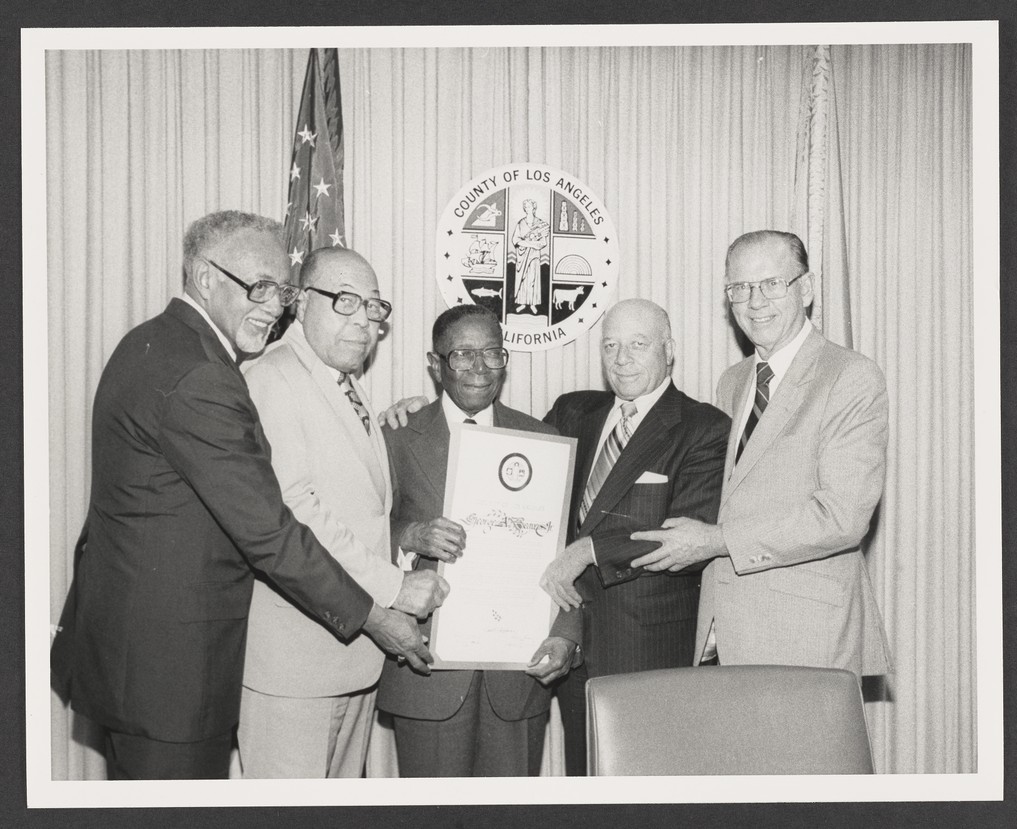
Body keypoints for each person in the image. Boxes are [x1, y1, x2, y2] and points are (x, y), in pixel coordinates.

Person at [49, 211, 441, 780]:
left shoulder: (155, 342)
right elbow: (271, 531)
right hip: (171, 671)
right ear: (205, 277)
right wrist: (377, 613)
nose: (273, 306)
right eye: (258, 287)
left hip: (143, 654)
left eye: (279, 290)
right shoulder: (204, 375)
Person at [630, 230, 893, 679]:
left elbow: (842, 518)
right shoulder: (733, 382)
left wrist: (716, 541)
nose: (755, 302)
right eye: (740, 288)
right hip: (724, 634)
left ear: (805, 289)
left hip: (806, 637)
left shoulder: (850, 377)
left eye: (772, 284)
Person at [236, 247, 446, 778]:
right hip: (295, 668)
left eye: (373, 307)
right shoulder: (272, 376)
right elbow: (295, 510)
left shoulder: (342, 383)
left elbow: (363, 508)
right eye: (345, 301)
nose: (364, 321)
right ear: (302, 302)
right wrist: (395, 587)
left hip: (350, 660)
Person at [375, 305, 581, 777]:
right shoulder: (394, 437)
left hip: (518, 673)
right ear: (435, 364)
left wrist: (567, 635)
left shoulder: (541, 439)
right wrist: (410, 536)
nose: (480, 367)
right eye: (463, 354)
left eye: (492, 353)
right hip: (427, 669)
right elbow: (356, 533)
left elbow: (565, 553)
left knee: (509, 812)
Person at [538, 298, 731, 776]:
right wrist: (439, 416)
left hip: (647, 645)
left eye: (638, 345)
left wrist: (589, 550)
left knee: (647, 789)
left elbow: (686, 540)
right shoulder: (572, 411)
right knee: (583, 782)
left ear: (669, 351)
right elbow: (511, 461)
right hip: (567, 641)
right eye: (611, 346)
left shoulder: (703, 427)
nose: (621, 359)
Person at [511, 199, 548, 313]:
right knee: (523, 279)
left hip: (534, 256)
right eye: (525, 207)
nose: (527, 209)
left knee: (532, 279)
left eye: (529, 206)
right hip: (522, 256)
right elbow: (515, 239)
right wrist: (529, 243)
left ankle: (532, 303)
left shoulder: (540, 223)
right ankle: (522, 303)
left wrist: (533, 244)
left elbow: (543, 242)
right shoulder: (521, 223)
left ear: (534, 208)